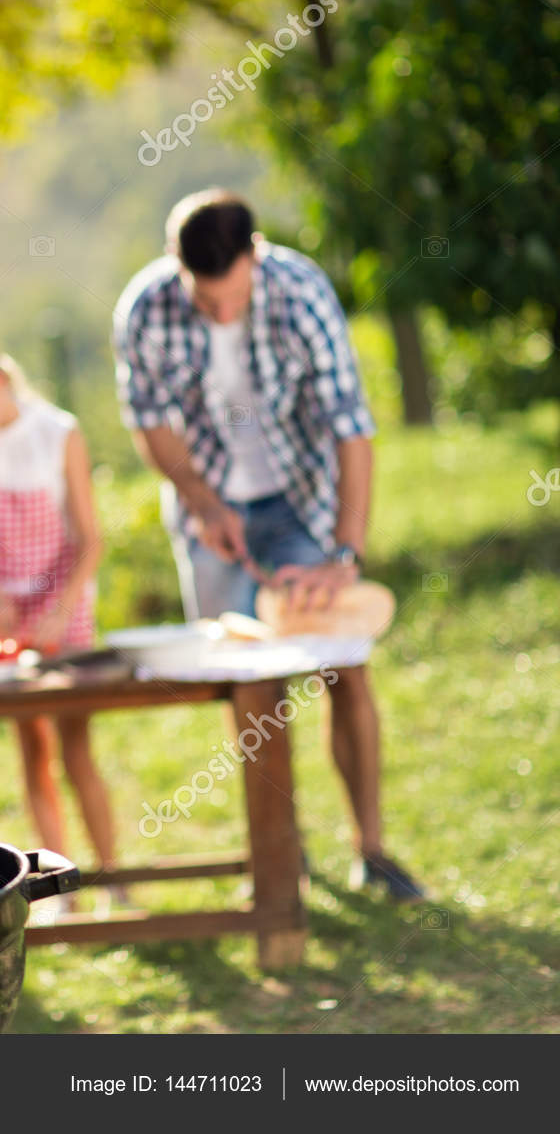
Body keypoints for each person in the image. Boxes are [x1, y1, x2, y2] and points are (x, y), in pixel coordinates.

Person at [112, 188, 423, 901]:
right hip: (209, 506)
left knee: (346, 665)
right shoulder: (144, 308)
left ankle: (371, 849)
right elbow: (150, 420)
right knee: (247, 678)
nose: (221, 313)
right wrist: (201, 500)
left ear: (256, 255)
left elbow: (351, 424)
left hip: (301, 498)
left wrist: (345, 553)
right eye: (205, 300)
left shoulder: (301, 291)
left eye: (232, 297)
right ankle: (284, 857)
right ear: (173, 263)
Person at [0, 326, 119, 901]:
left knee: (76, 744)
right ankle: (62, 887)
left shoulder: (58, 432)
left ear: (1, 380)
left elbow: (90, 540)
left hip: (64, 605)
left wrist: (59, 608)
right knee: (33, 751)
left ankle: (113, 878)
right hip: (1, 611)